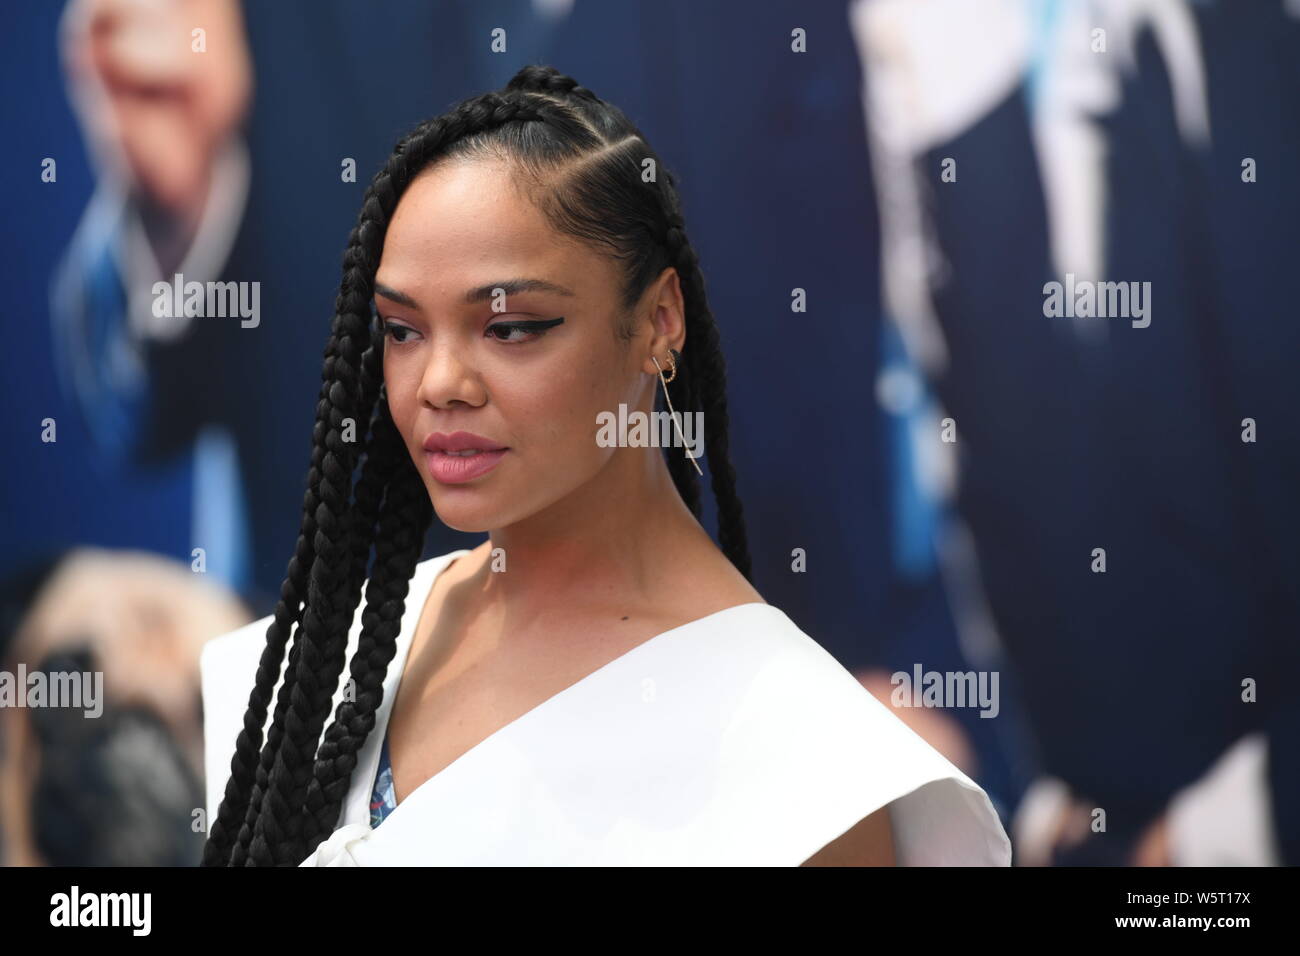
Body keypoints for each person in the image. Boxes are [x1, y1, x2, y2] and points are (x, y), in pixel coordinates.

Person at [199, 65, 1011, 867]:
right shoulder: (323, 660)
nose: (439, 384)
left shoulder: (801, 771)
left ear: (660, 320)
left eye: (512, 327)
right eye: (403, 331)